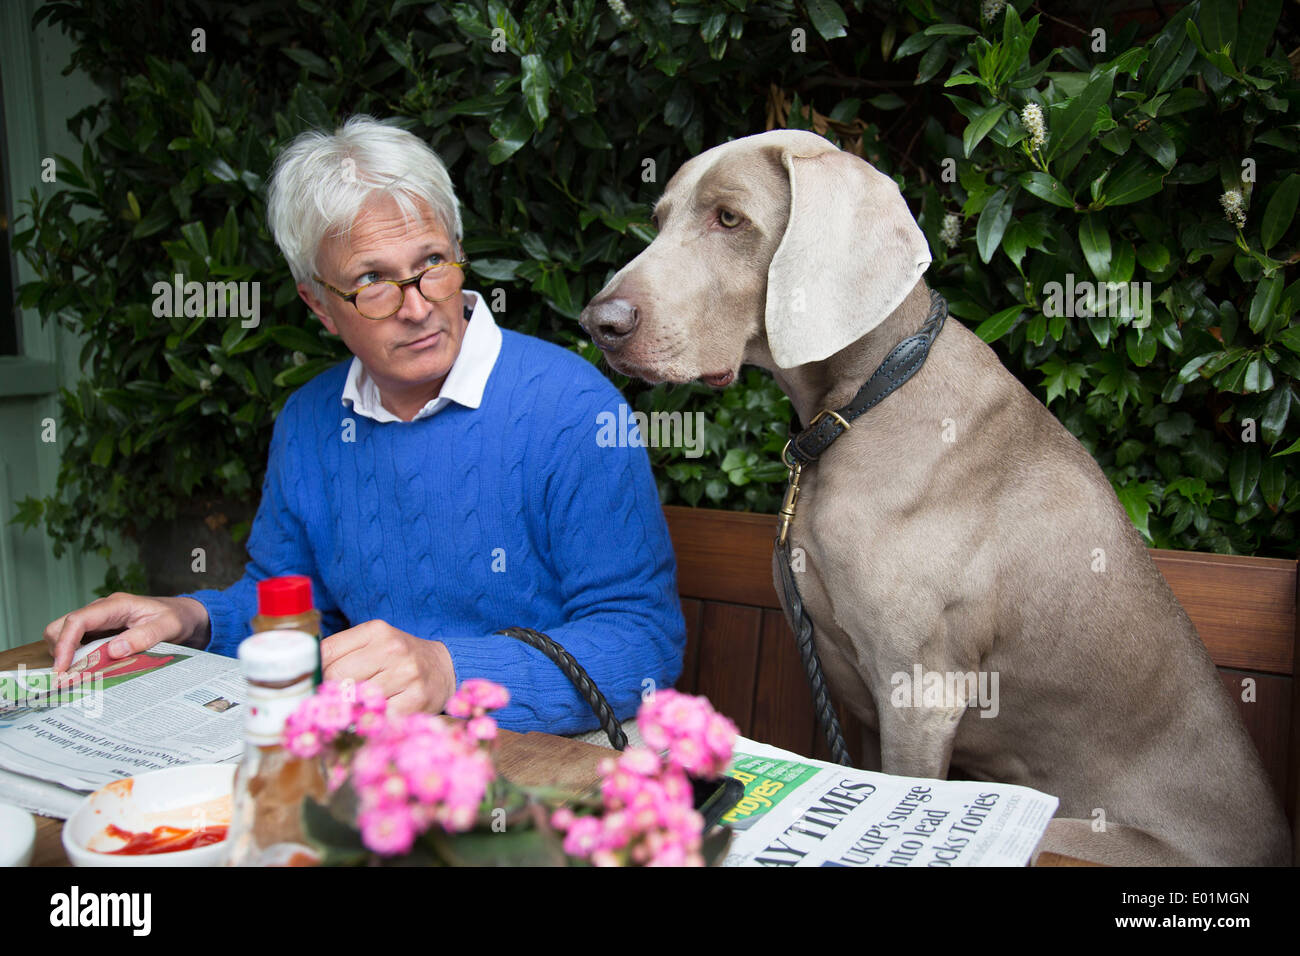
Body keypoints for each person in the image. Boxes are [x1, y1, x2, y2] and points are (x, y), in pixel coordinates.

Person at [44, 115, 686, 733]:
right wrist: (187, 617)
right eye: (372, 280)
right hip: (377, 758)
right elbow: (290, 608)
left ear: (461, 253)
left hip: (540, 758)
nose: (416, 307)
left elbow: (643, 643)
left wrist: (449, 671)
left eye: (432, 261)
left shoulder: (571, 407)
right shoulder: (310, 420)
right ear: (318, 304)